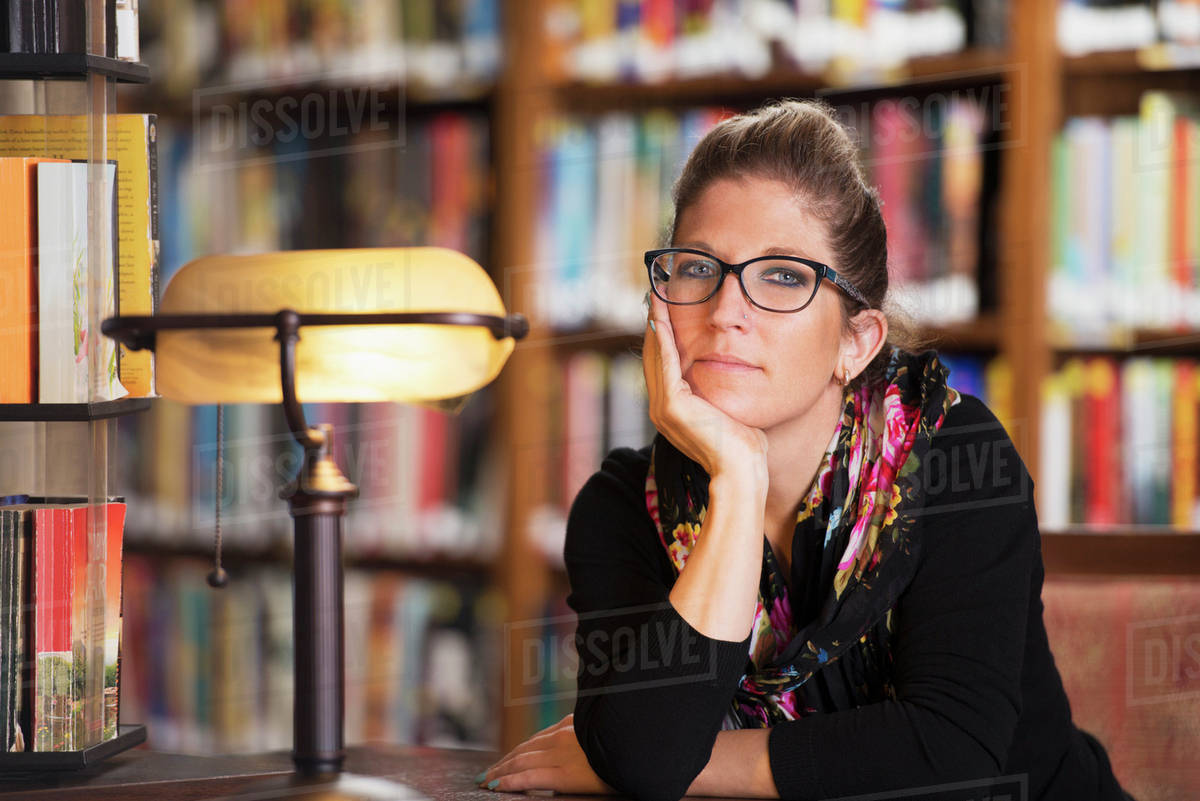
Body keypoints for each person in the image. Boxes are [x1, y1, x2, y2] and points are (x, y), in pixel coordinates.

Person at [475, 98, 1133, 801]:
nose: (726, 311)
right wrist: (735, 480)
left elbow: (952, 757)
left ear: (856, 342)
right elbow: (644, 753)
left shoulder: (954, 456)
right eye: (697, 268)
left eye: (783, 277)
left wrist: (696, 767)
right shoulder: (622, 506)